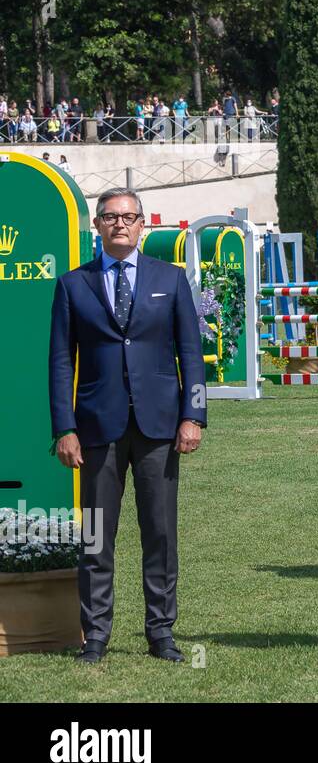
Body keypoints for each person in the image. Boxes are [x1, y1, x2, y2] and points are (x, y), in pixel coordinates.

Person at [49, 188, 207, 664]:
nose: (121, 224)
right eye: (111, 217)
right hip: (97, 427)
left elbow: (191, 356)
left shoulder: (172, 279)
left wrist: (193, 415)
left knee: (160, 533)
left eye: (129, 217)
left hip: (160, 425)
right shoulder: (73, 285)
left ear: (143, 226)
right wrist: (65, 427)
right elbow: (60, 362)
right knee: (97, 535)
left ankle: (161, 632)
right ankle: (94, 634)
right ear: (97, 225)